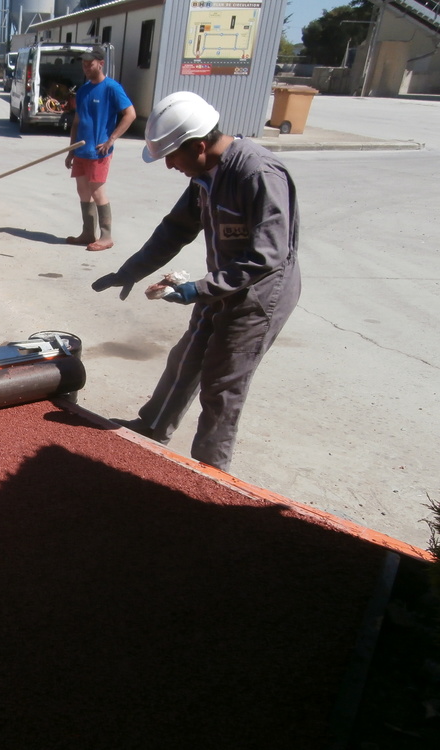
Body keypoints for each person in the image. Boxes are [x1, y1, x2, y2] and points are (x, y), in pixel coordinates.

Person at [91, 91, 302, 472]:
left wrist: (200, 289)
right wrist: (132, 270)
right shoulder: (205, 175)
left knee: (223, 384)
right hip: (222, 284)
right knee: (186, 357)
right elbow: (176, 228)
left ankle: (208, 474)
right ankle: (150, 429)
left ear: (200, 146)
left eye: (172, 156)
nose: (170, 166)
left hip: (258, 295)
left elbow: (267, 256)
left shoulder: (258, 174)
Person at [65, 44, 136, 252]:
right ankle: (88, 232)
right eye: (84, 64)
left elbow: (130, 114)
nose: (86, 68)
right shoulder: (83, 90)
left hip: (99, 151)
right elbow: (77, 122)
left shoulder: (112, 88)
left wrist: (111, 139)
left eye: (90, 64)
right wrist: (70, 150)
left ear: (101, 64)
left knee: (97, 192)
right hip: (81, 150)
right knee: (82, 191)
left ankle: (106, 237)